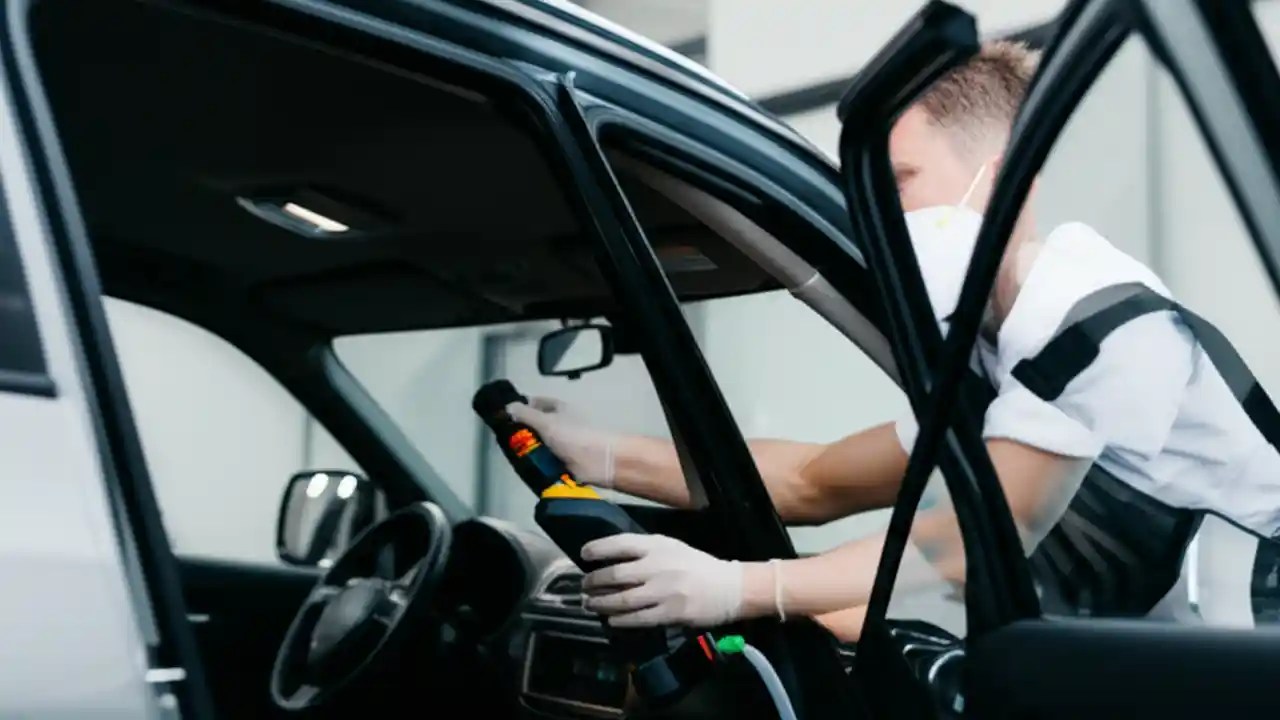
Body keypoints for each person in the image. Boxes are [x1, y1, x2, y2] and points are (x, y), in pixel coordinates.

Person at [509, 40, 1280, 639]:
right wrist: (601, 454)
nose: (880, 220)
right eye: (871, 194)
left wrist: (740, 588)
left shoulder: (1100, 327)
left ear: (1011, 177)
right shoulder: (987, 340)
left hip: (1244, 651)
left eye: (901, 183)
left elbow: (970, 546)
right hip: (1133, 638)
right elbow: (813, 482)